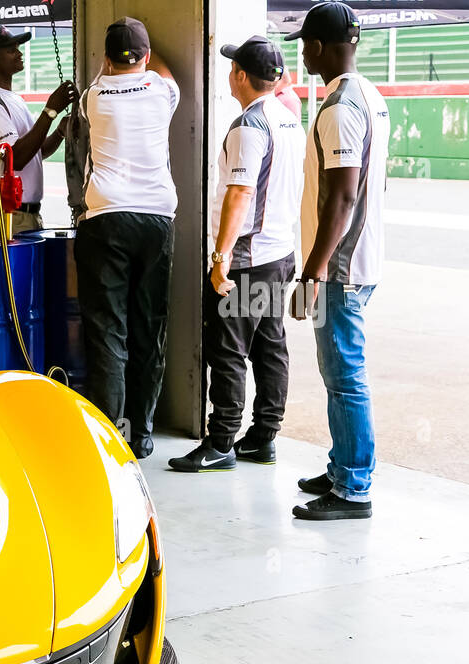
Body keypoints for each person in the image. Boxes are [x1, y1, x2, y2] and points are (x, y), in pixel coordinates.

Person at [170, 37, 305, 473]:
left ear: (242, 76)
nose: (230, 74)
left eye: (233, 68)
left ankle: (221, 441)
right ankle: (262, 438)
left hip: (247, 259)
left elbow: (241, 192)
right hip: (280, 252)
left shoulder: (249, 125)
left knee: (227, 349)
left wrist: (221, 256)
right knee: (269, 345)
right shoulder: (288, 120)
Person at [286, 2, 387, 520]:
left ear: (320, 46)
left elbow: (342, 199)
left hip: (341, 268)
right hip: (358, 259)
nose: (302, 53)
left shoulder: (339, 107)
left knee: (345, 374)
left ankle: (353, 487)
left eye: (305, 44)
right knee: (338, 372)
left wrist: (313, 271)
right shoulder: (369, 94)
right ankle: (344, 463)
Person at [74, 17, 178, 460]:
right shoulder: (161, 90)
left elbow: (104, 78)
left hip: (106, 219)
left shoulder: (93, 96)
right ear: (147, 57)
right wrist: (150, 59)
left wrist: (111, 67)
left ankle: (110, 434)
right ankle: (144, 429)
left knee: (107, 332)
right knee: (149, 328)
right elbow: (166, 71)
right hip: (156, 218)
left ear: (106, 58)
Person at [0, 25, 76, 236]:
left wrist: (59, 132)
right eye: (11, 50)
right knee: (8, 271)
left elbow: (34, 152)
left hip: (22, 216)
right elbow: (16, 157)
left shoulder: (13, 99)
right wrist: (51, 110)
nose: (19, 53)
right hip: (4, 215)